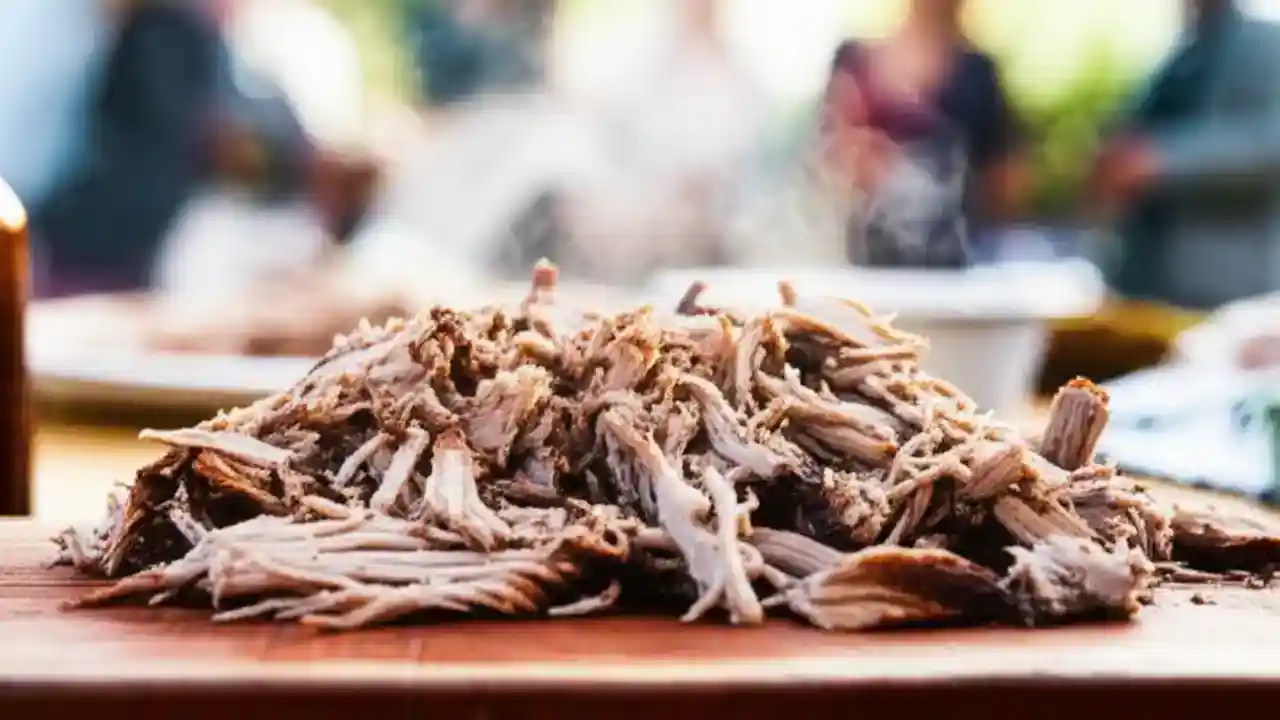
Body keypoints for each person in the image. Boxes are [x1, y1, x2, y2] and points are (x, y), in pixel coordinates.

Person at [1091, 0, 1280, 309]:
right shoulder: (1182, 56)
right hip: (1151, 289)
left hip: (1229, 293)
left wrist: (1162, 160)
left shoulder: (1267, 44)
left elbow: (1270, 143)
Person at [819, 0, 1025, 268]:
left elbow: (1006, 181)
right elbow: (829, 158)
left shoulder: (979, 76)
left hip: (958, 273)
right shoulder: (856, 64)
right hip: (868, 266)